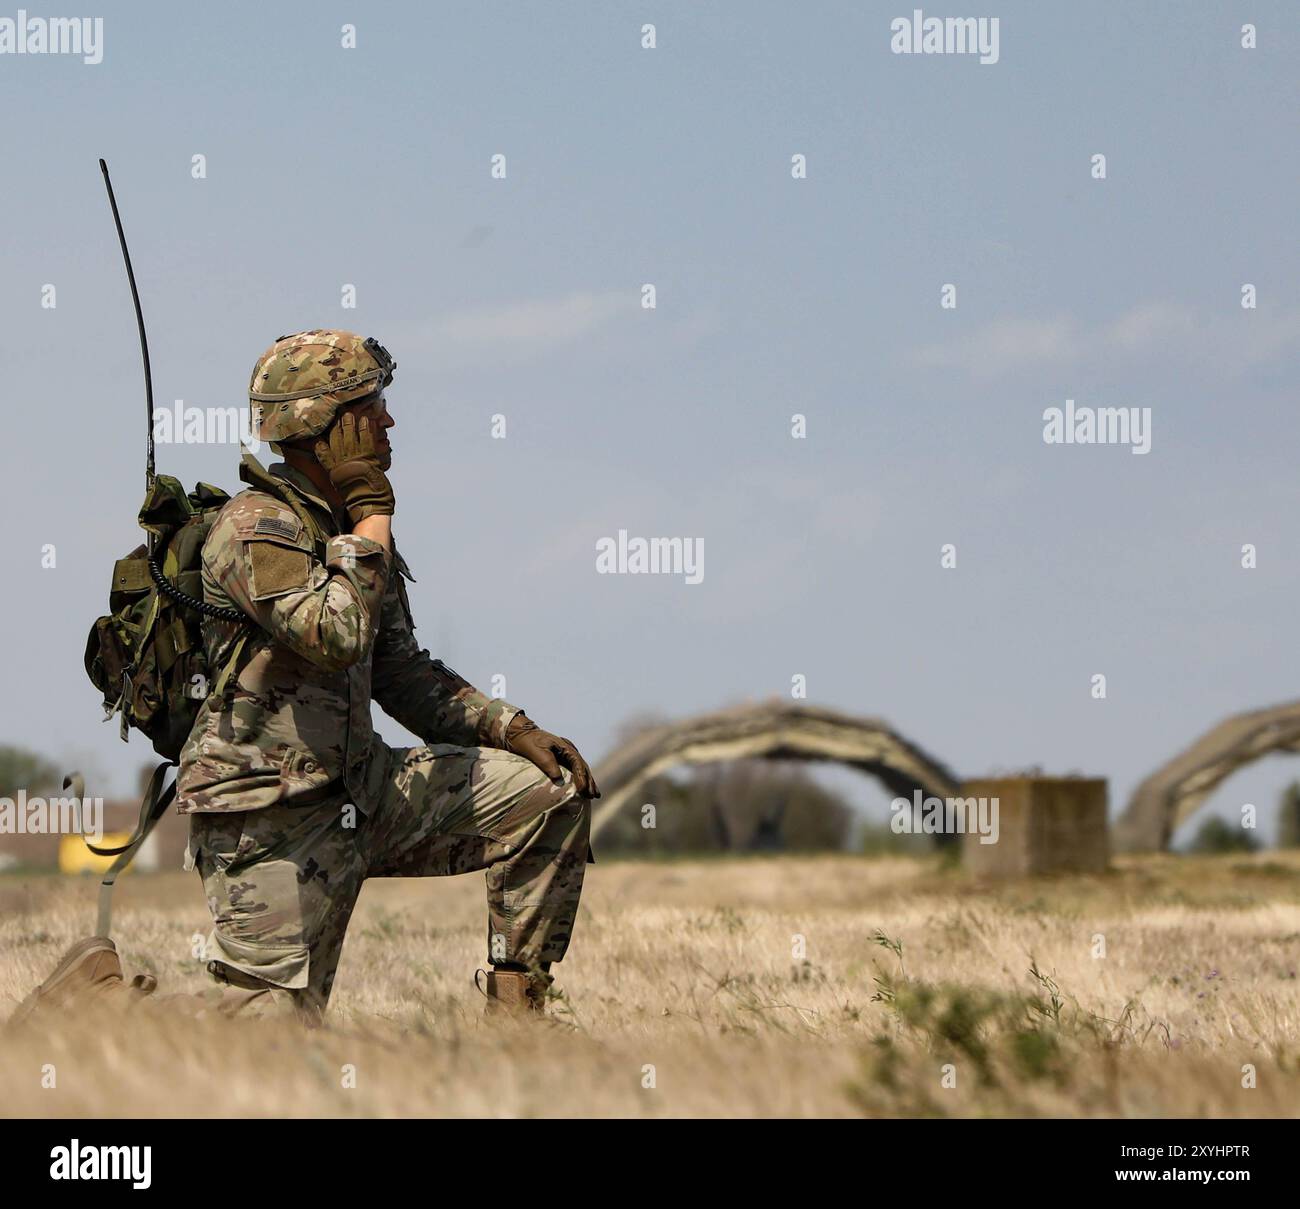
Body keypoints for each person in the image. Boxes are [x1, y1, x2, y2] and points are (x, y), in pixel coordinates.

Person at [15, 330, 599, 1026]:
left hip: (363, 788)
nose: (388, 421)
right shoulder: (254, 527)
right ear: (319, 424)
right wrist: (373, 516)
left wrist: (511, 727)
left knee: (548, 794)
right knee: (267, 1039)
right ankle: (95, 1010)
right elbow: (335, 633)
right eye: (371, 405)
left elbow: (401, 672)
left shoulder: (347, 529)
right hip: (269, 815)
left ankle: (519, 1024)